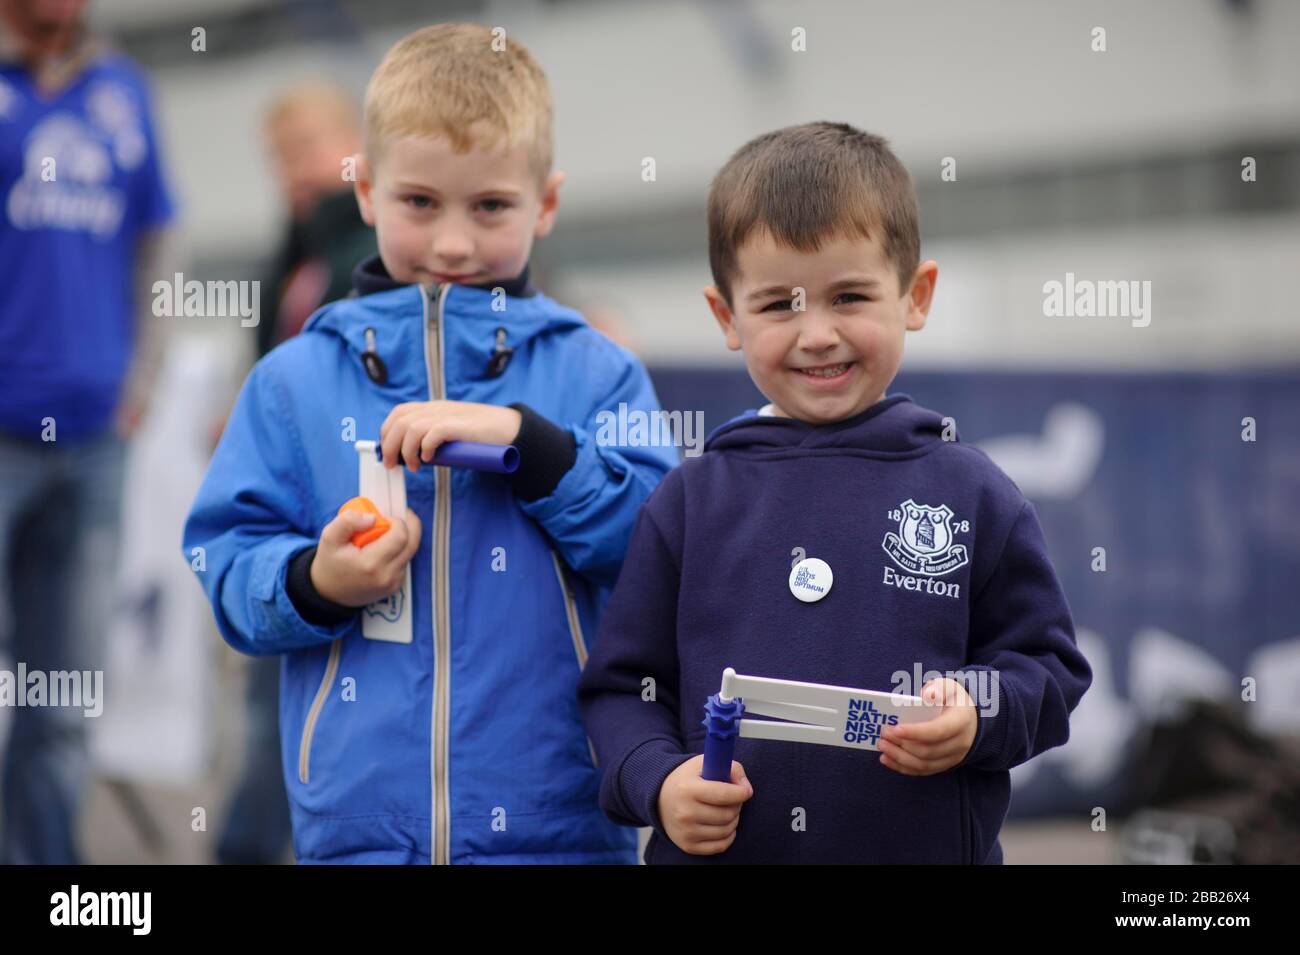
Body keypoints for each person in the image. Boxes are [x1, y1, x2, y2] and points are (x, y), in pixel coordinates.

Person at [181, 23, 678, 864]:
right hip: (359, 836)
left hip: (562, 832)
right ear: (366, 191)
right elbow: (226, 563)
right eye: (420, 203)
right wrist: (314, 579)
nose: (453, 243)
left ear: (546, 203)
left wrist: (539, 449)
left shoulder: (601, 372)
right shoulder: (292, 380)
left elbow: (660, 555)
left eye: (490, 206)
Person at [577, 122, 1093, 864]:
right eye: (779, 304)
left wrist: (977, 710)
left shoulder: (972, 490)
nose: (816, 333)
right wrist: (660, 782)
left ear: (916, 296)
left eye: (848, 295)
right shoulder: (688, 501)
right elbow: (622, 690)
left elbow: (1049, 670)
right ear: (727, 316)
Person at [0, 0, 176, 864]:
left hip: (93, 442)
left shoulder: (123, 90)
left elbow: (157, 241)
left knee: (60, 699)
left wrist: (139, 380)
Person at [214, 81, 377, 866]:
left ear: (356, 142)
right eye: (281, 156)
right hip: (289, 520)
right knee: (272, 700)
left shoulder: (374, 243)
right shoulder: (297, 250)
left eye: (310, 146)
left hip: (349, 504)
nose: (297, 168)